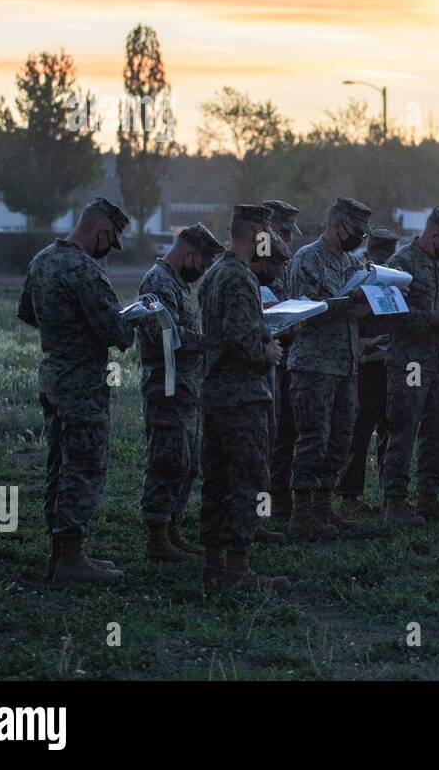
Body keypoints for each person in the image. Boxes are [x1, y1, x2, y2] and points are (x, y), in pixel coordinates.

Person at [18, 197, 137, 584]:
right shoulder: (85, 271)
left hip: (52, 377)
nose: (109, 251)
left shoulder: (42, 260)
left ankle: (60, 555)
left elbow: (29, 314)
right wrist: (135, 320)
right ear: (101, 231)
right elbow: (116, 332)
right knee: (84, 469)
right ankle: (71, 559)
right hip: (83, 385)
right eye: (111, 242)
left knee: (58, 465)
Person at [197, 205, 289, 591]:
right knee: (248, 480)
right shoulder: (240, 278)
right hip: (243, 397)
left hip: (216, 393)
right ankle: (237, 568)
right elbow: (243, 339)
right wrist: (269, 349)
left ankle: (213, 562)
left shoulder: (213, 273)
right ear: (255, 236)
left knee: (216, 479)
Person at [136, 222, 224, 563]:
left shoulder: (176, 283)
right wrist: (210, 340)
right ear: (189, 255)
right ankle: (157, 537)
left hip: (186, 387)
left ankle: (172, 530)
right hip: (167, 388)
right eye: (201, 264)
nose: (201, 272)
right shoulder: (157, 282)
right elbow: (166, 336)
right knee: (167, 459)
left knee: (186, 462)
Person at [285, 198, 370, 537]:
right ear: (338, 226)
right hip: (314, 365)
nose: (360, 238)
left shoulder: (353, 263)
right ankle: (301, 512)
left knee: (340, 437)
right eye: (356, 231)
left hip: (345, 364)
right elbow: (307, 310)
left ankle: (323, 507)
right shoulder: (308, 259)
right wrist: (351, 300)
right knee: (313, 438)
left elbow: (353, 312)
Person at [382, 206, 439, 526]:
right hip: (410, 360)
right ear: (433, 235)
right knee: (403, 429)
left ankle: (428, 497)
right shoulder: (400, 265)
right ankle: (395, 502)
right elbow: (388, 313)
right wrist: (427, 319)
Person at [337, 227, 400, 513]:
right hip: (365, 364)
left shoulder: (398, 277)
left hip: (392, 362)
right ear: (369, 252)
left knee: (392, 429)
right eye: (379, 255)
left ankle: (391, 493)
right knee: (360, 430)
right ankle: (350, 495)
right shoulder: (356, 274)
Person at [260, 198, 302, 525]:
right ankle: (264, 508)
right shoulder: (252, 264)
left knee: (286, 431)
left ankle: (280, 499)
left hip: (287, 357)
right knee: (266, 436)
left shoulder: (284, 263)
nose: (287, 239)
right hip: (261, 361)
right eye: (282, 231)